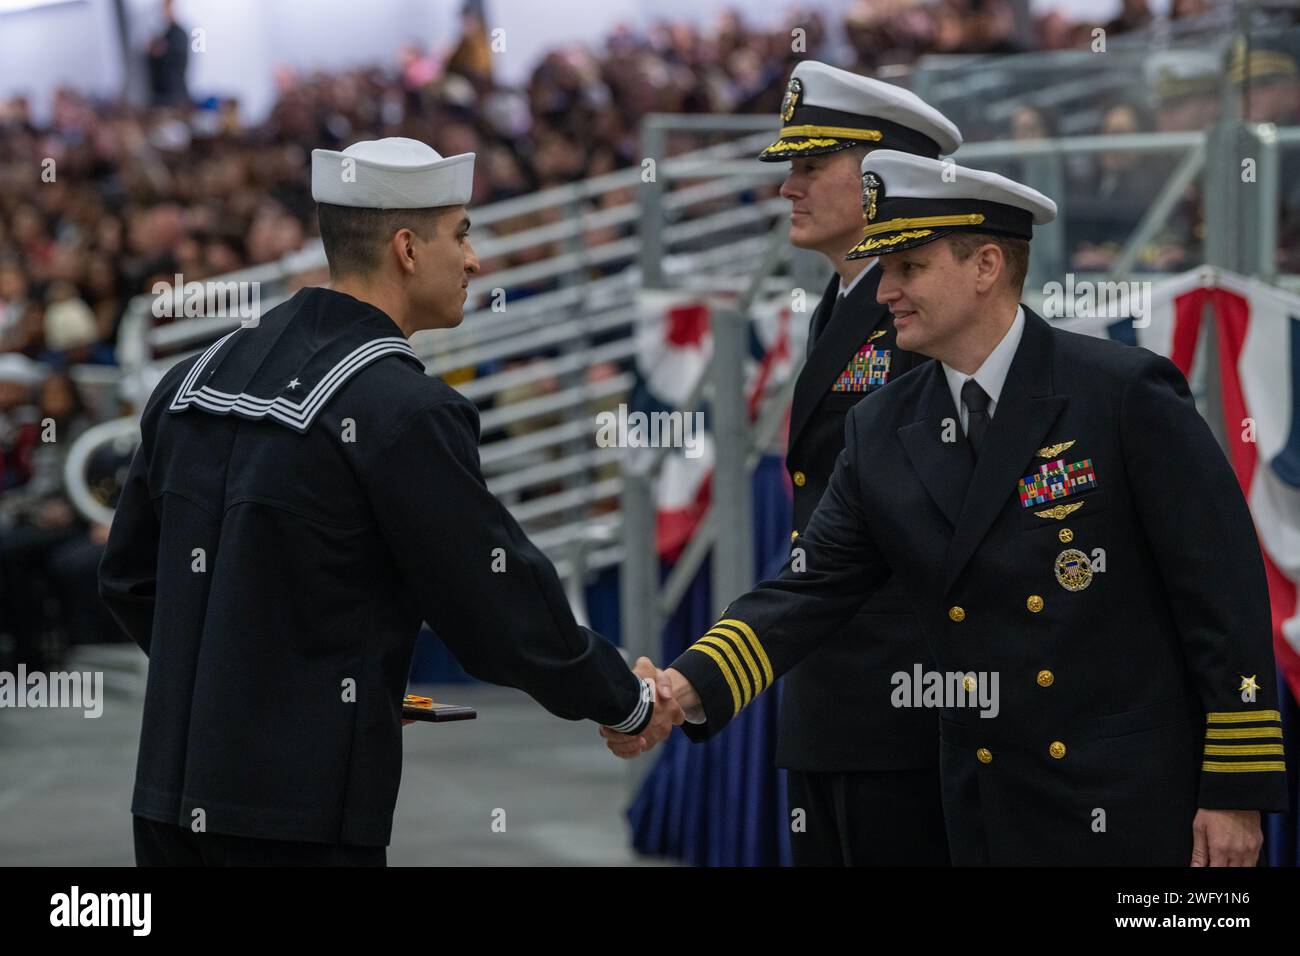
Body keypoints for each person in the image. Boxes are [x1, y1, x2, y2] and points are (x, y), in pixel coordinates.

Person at [606, 151, 1289, 866]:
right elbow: (808, 590)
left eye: (909, 268)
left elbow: (1222, 596)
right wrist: (679, 690)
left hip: (1128, 801)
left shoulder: (1121, 395)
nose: (885, 293)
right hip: (985, 805)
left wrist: (1235, 787)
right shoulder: (883, 427)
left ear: (986, 265)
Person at [100, 137, 680, 867]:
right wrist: (623, 698)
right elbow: (497, 605)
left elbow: (128, 579)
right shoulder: (403, 408)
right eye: (462, 234)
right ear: (407, 248)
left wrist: (249, 684)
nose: (475, 261)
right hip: (299, 817)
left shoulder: (191, 378)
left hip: (164, 801)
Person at [753, 60, 962, 866]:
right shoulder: (842, 305)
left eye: (812, 167)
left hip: (899, 703)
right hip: (836, 694)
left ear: (880, 178)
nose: (789, 188)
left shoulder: (921, 313)